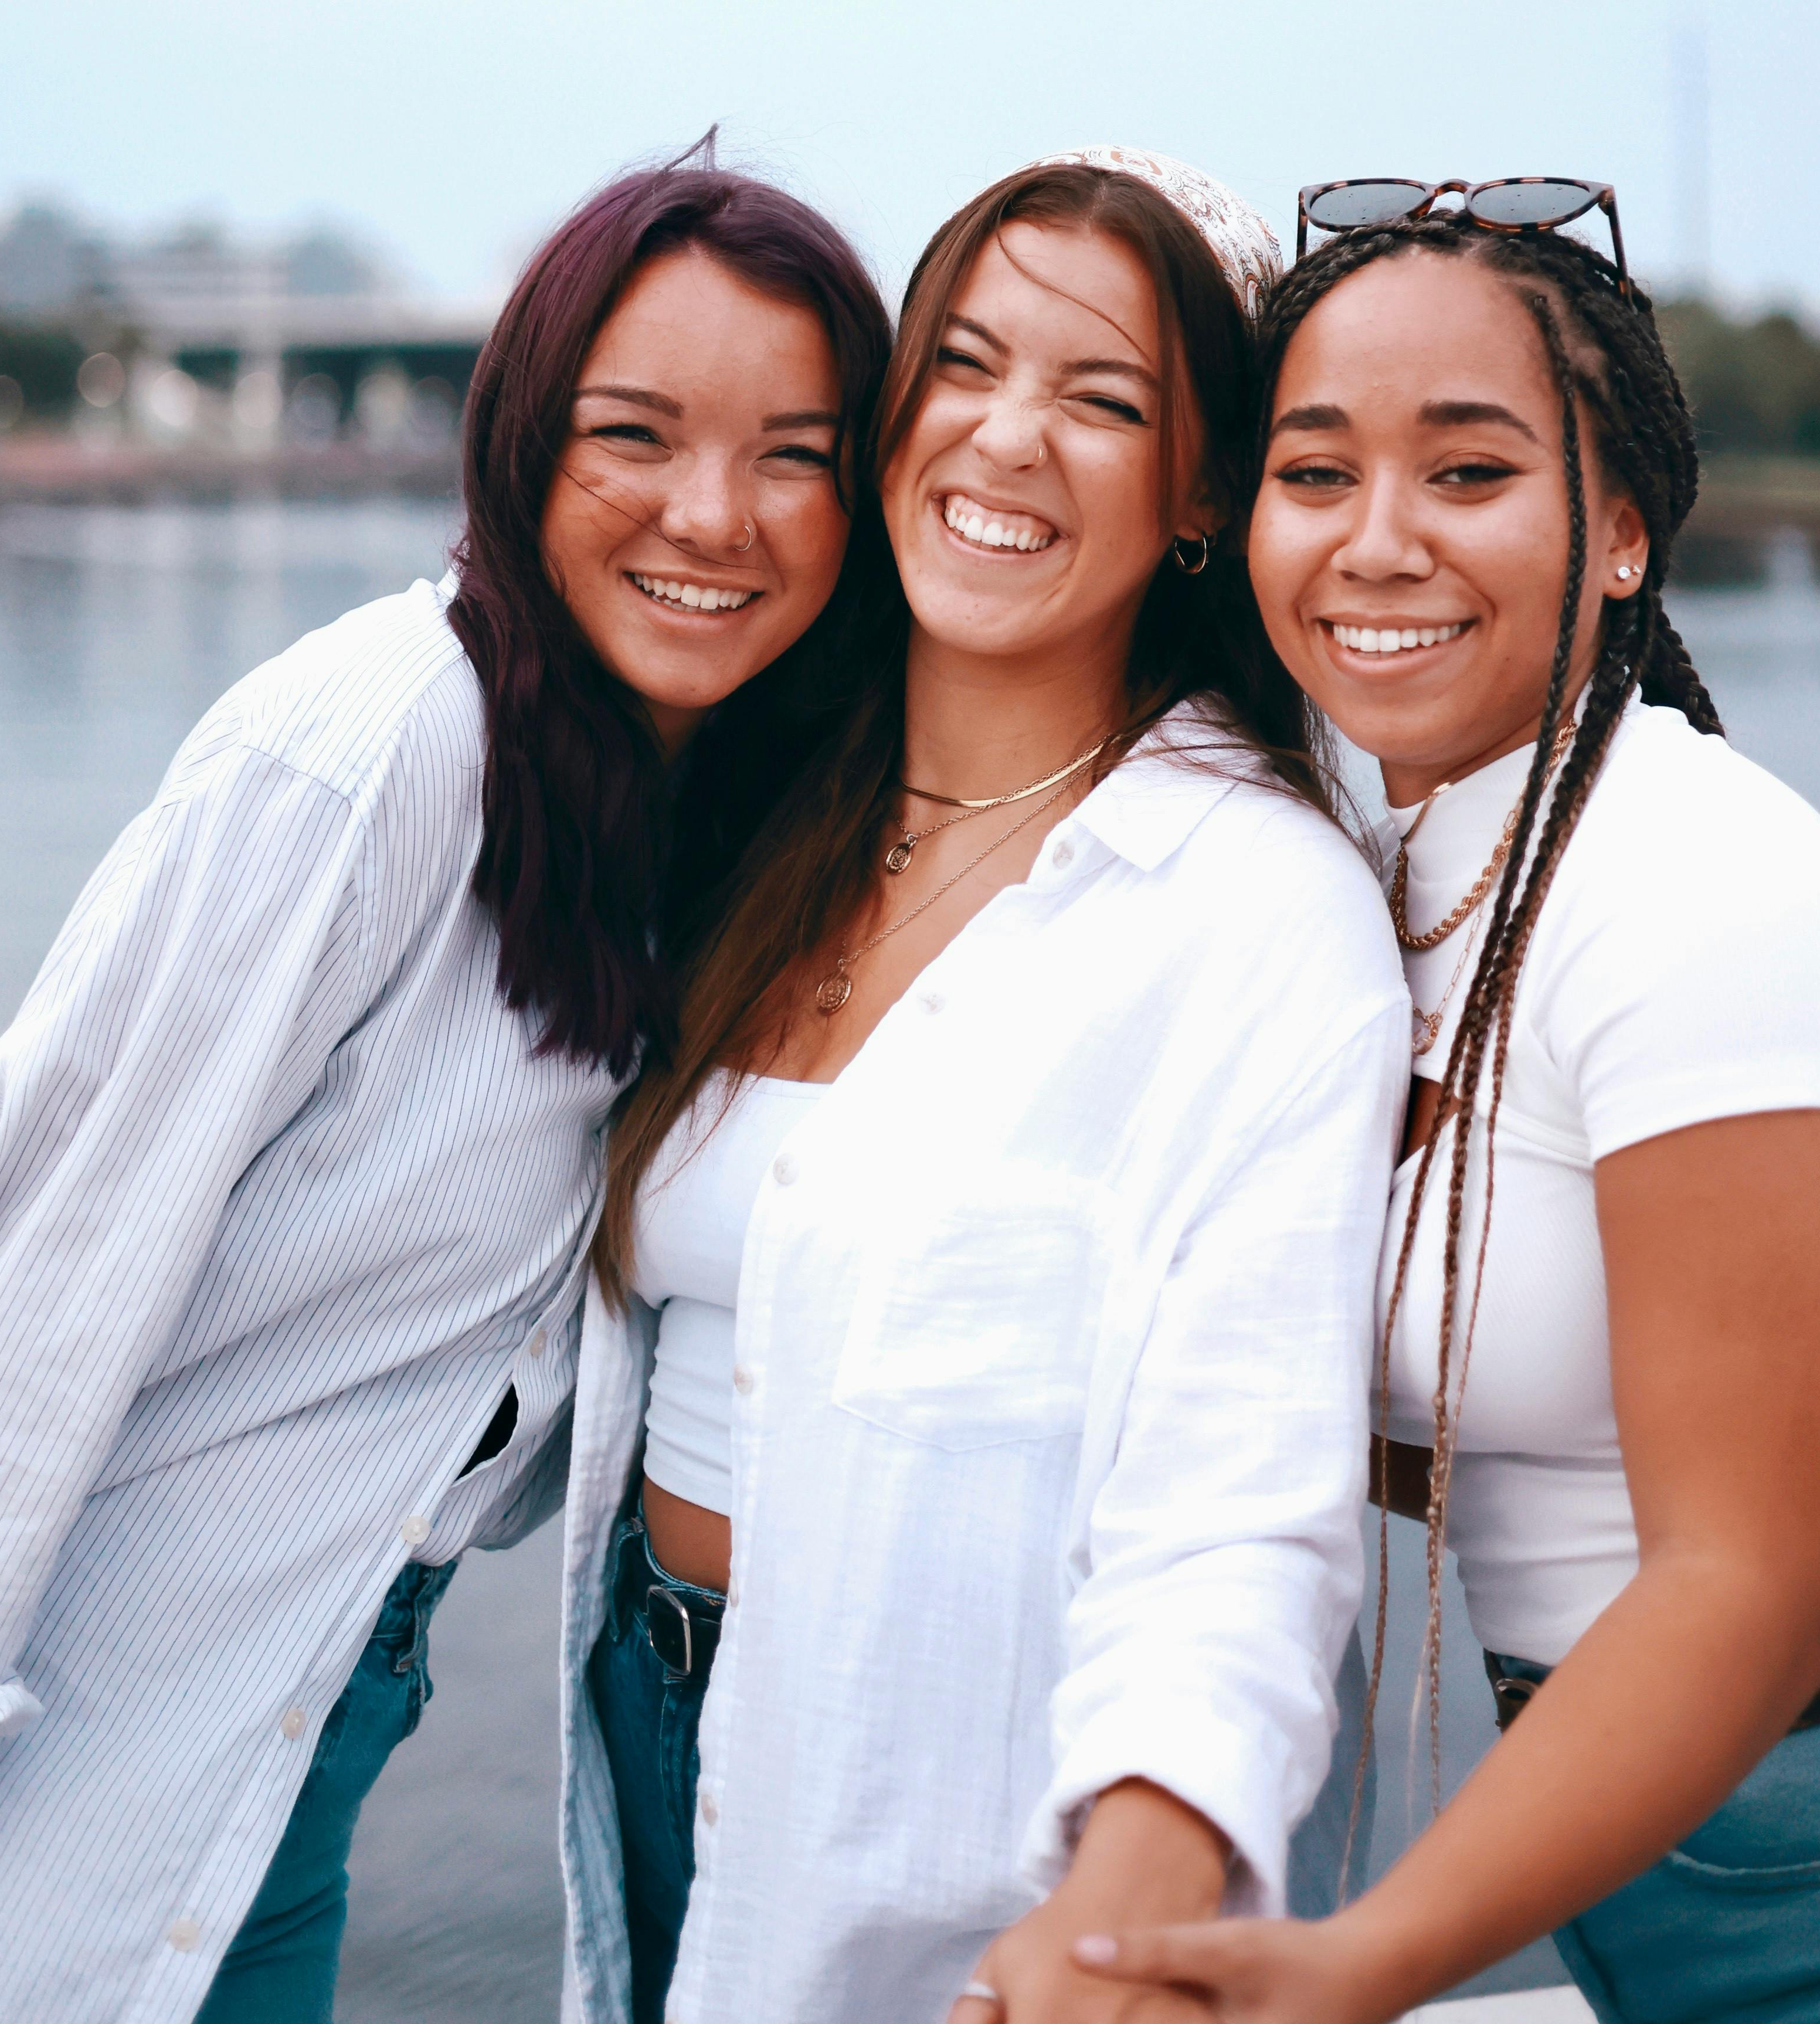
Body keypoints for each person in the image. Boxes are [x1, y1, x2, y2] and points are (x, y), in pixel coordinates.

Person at [0, 153, 889, 2024]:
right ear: (522, 441)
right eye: (635, 436)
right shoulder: (377, 747)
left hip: (293, 1732)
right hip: (34, 1761)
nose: (713, 515)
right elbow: (42, 1274)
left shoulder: (683, 808)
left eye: (796, 457)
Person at [1072, 182, 1820, 2024]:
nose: (1378, 542)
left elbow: (1748, 1571)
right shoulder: (1406, 876)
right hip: (1681, 1818)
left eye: (1470, 473)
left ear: (1622, 536)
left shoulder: (1701, 885)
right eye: (1315, 473)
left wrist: (1368, 1957)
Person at [555, 148, 1409, 2024]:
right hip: (650, 1716)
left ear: (1202, 489)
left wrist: (1131, 1891)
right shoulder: (766, 814)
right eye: (965, 363)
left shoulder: (1252, 907)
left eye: (1103, 398)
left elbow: (1243, 1491)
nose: (1007, 437)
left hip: (966, 1823)